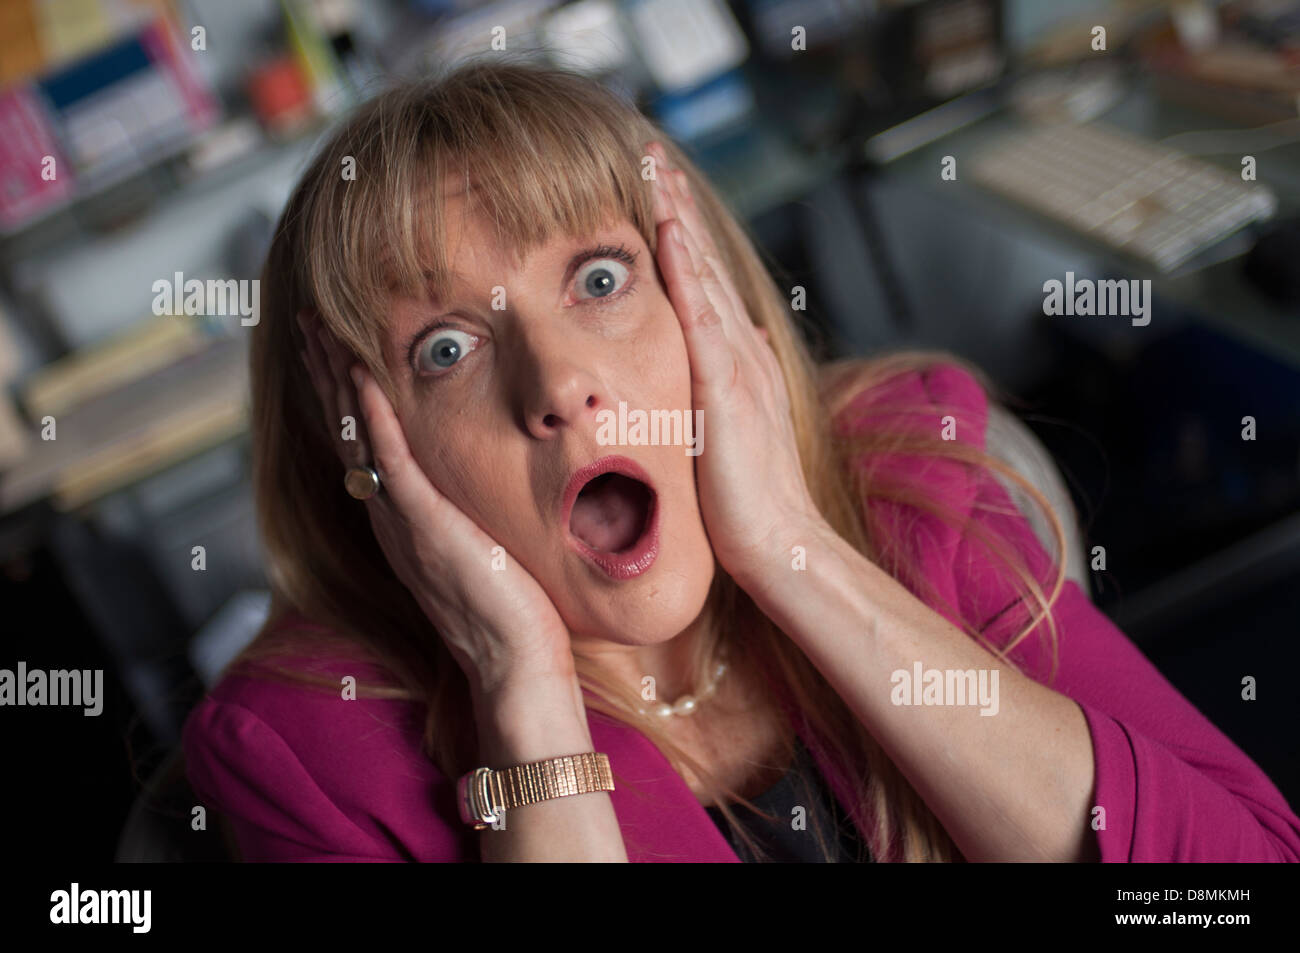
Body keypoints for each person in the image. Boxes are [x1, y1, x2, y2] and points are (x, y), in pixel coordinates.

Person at [182, 60, 1300, 862]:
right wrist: (521, 693)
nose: (560, 384)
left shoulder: (909, 472)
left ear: (703, 299)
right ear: (369, 456)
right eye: (445, 348)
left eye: (601, 280)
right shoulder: (305, 753)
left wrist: (794, 552)